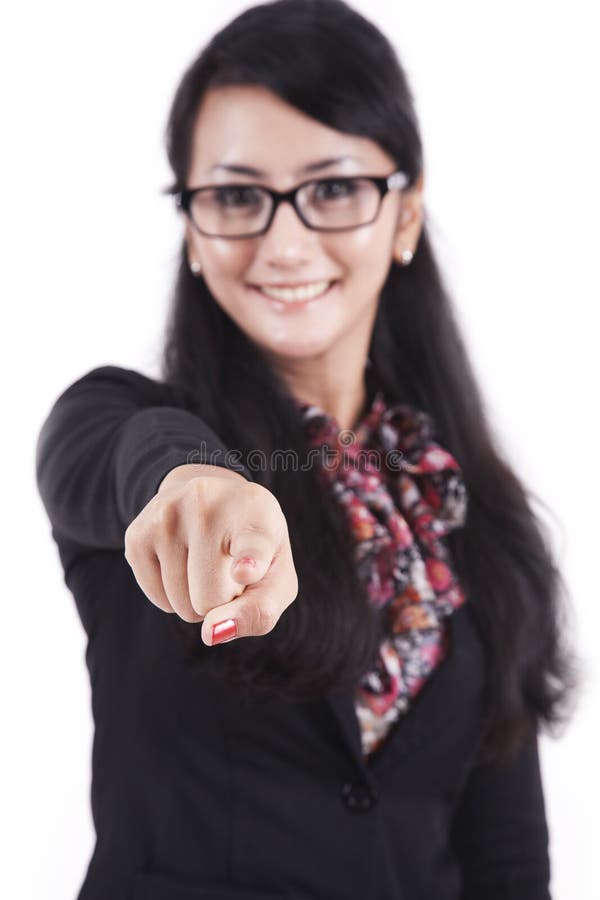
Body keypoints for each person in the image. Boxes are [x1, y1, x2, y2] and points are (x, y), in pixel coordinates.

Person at [35, 1, 580, 898]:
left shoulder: (471, 507)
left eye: (332, 188)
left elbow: (507, 859)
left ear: (404, 215)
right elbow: (129, 459)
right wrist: (202, 487)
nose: (285, 242)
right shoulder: (121, 420)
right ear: (194, 231)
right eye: (238, 196)